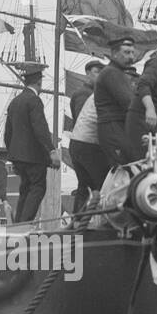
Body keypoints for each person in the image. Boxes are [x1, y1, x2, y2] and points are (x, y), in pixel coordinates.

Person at [2, 64, 58, 223]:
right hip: (33, 158)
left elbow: (8, 133)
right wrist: (51, 151)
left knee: (25, 190)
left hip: (18, 157)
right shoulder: (34, 101)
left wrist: (12, 153)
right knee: (38, 188)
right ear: (39, 82)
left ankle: (19, 224)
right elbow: (40, 128)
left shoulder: (15, 102)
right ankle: (24, 223)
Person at [67, 61, 110, 216]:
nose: (99, 76)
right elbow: (82, 119)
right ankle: (87, 220)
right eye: (96, 72)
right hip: (88, 144)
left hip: (82, 144)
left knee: (84, 186)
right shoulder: (84, 94)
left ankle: (78, 221)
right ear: (87, 73)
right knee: (102, 184)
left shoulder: (91, 93)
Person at [94, 36, 140, 167]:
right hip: (113, 128)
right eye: (126, 53)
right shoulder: (111, 73)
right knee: (126, 170)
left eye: (132, 53)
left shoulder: (117, 73)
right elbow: (129, 102)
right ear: (114, 54)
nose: (131, 57)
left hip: (116, 128)